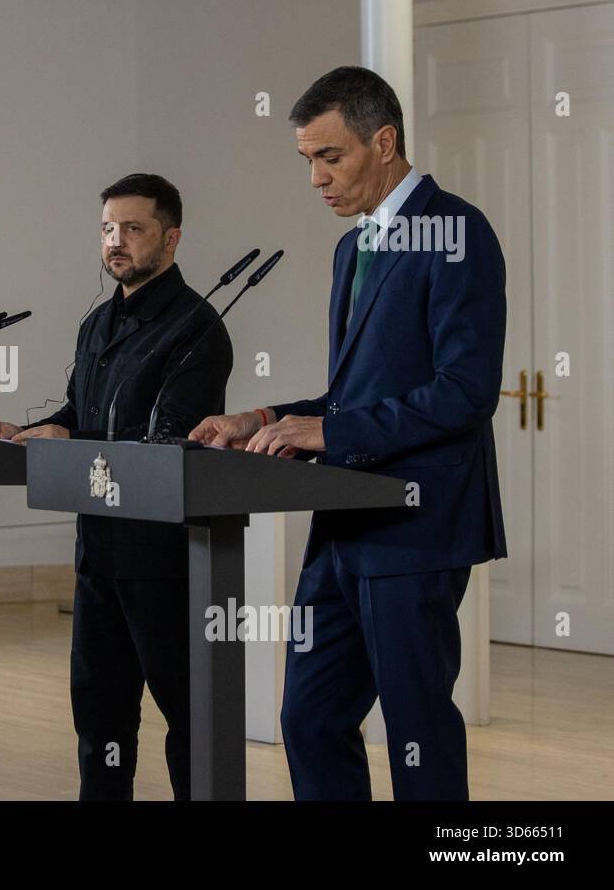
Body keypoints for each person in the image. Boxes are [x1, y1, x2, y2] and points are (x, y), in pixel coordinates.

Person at [189, 66, 507, 800]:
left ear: (384, 141)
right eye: (307, 161)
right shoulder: (350, 249)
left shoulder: (456, 233)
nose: (316, 179)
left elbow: (464, 394)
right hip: (341, 524)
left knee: (415, 727)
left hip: (415, 525)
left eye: (329, 158)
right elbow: (356, 396)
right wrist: (264, 419)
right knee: (310, 716)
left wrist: (330, 433)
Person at [0, 173, 233, 799]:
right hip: (97, 554)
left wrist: (74, 441)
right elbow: (79, 415)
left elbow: (167, 444)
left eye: (133, 229)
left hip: (163, 559)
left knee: (188, 716)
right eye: (107, 229)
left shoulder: (198, 328)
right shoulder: (96, 324)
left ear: (170, 239)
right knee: (99, 718)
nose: (116, 242)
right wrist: (37, 430)